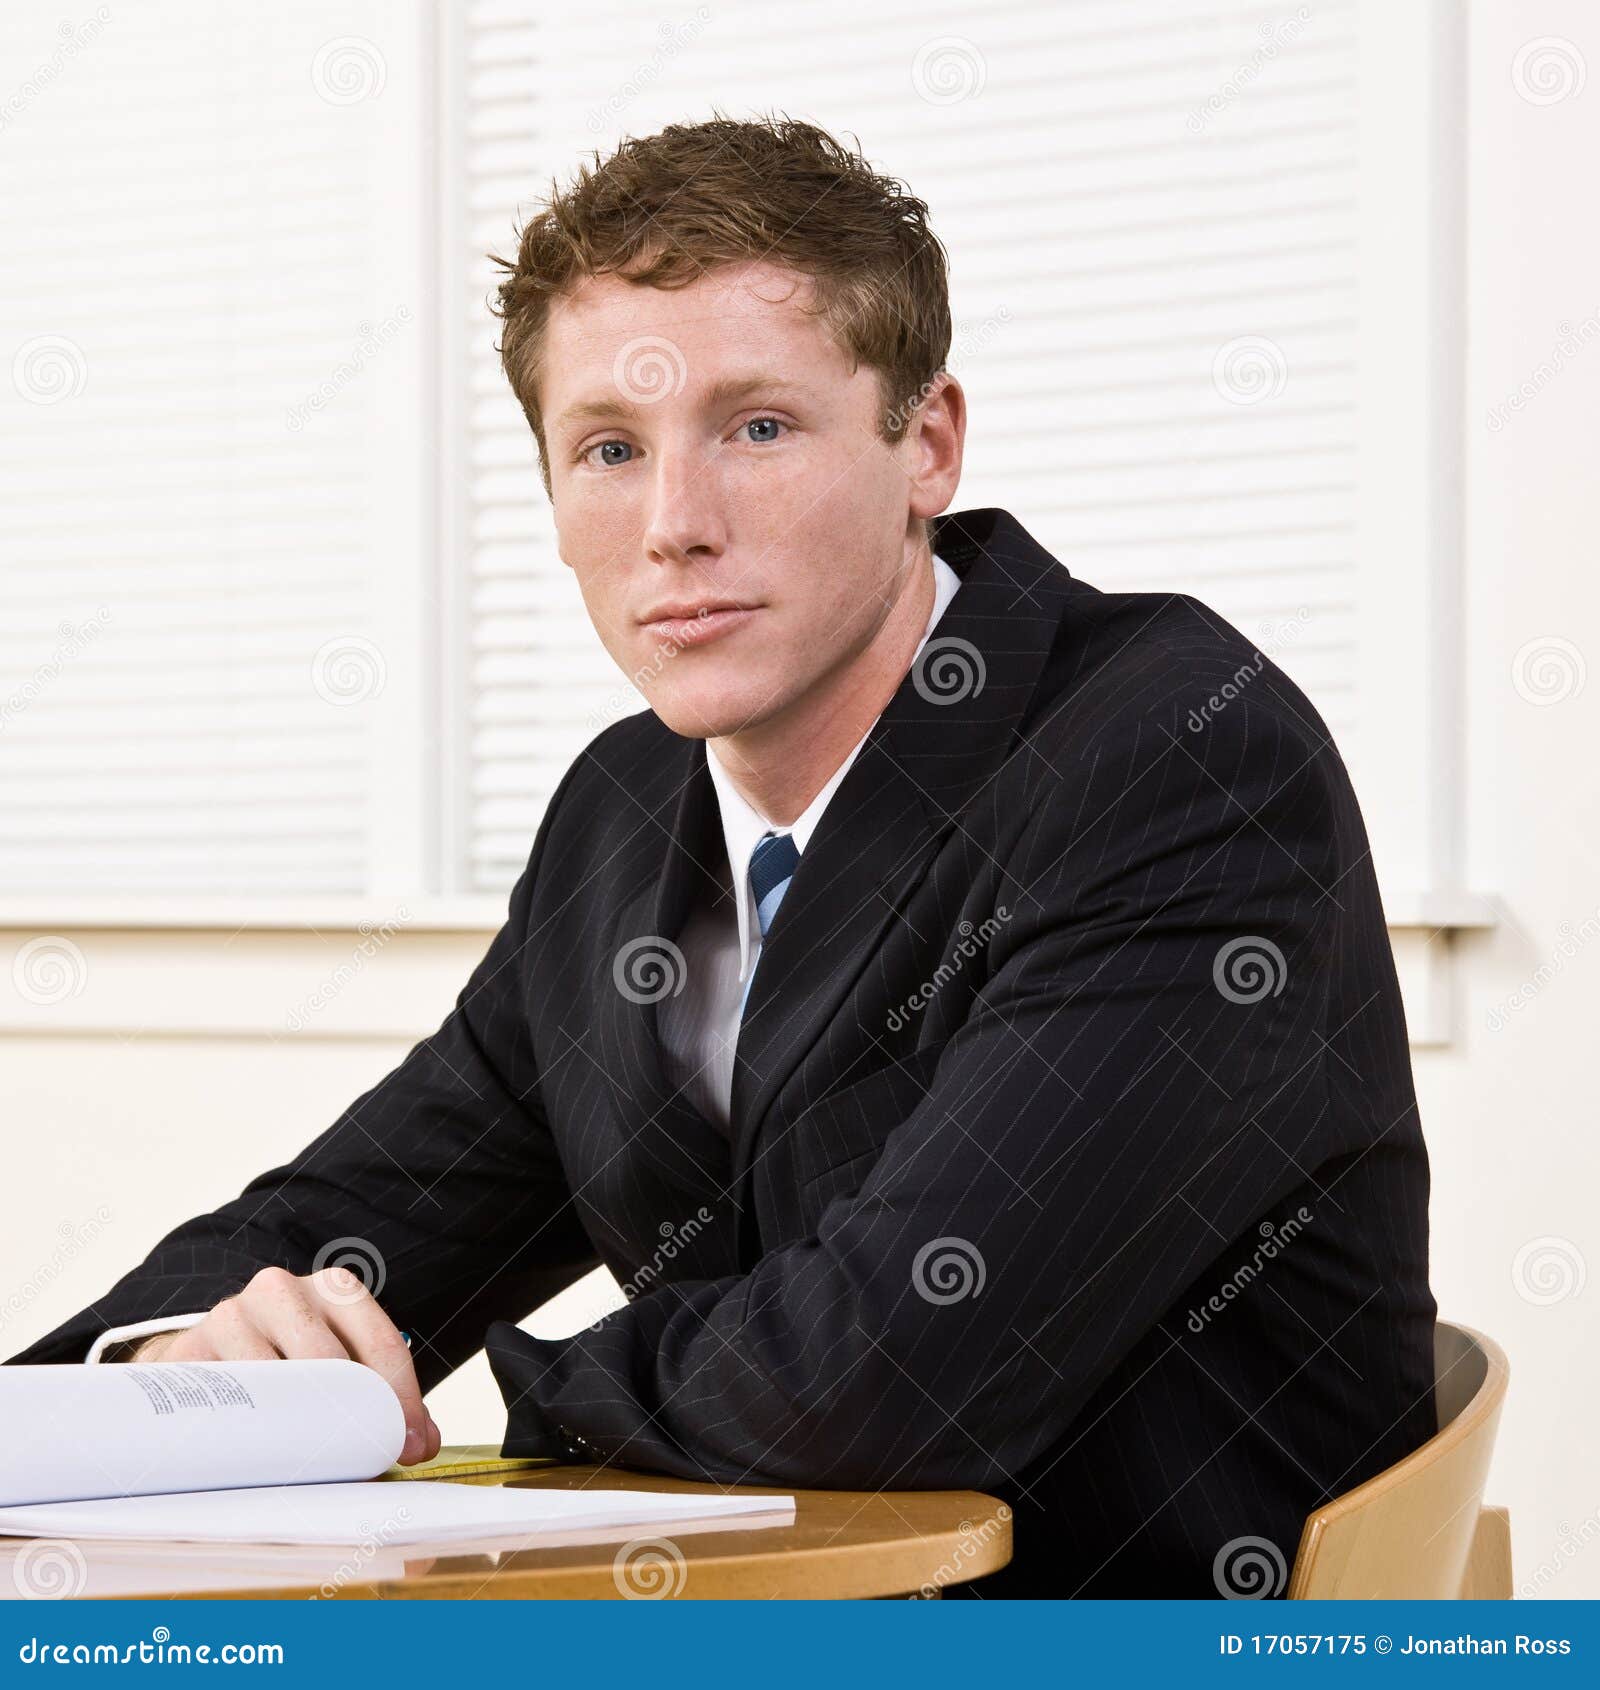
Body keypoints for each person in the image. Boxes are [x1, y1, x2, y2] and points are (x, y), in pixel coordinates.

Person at [5, 114, 1437, 1597]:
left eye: (757, 427)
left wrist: (470, 1398)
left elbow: (886, 1370)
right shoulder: (624, 810)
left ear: (927, 444)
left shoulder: (1177, 756)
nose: (674, 526)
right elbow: (367, 1210)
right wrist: (168, 1379)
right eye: (609, 450)